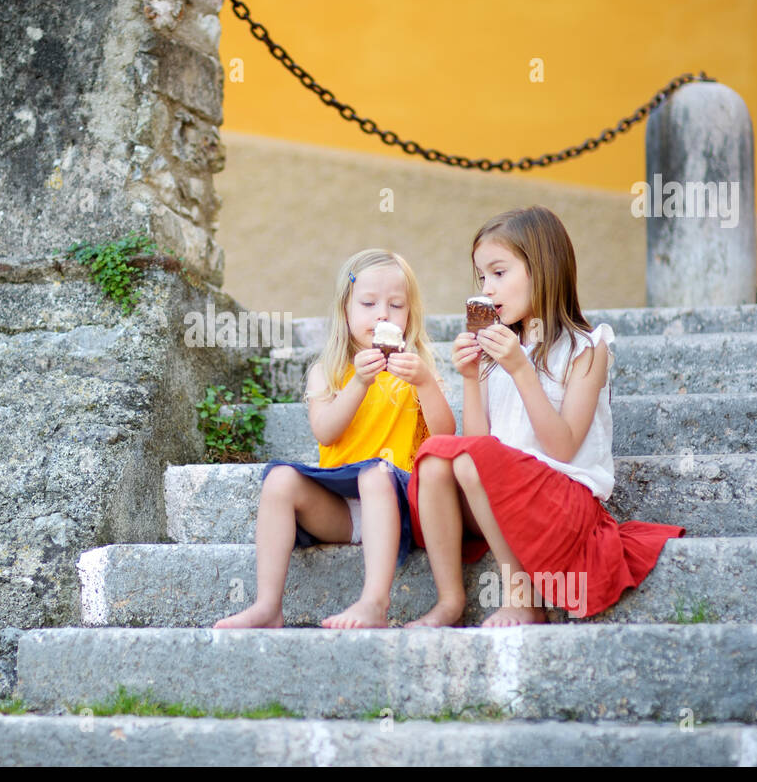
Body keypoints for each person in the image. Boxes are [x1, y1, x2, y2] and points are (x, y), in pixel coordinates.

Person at [404, 206, 685, 628]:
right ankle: (449, 600)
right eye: (482, 277)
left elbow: (563, 445)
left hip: (562, 500)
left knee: (464, 457)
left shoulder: (586, 349)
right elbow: (478, 442)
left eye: (499, 273)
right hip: (500, 498)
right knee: (437, 455)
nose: (487, 289)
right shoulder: (494, 355)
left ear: (542, 269)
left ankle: (521, 595)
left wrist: (521, 369)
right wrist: (470, 377)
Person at [214, 249, 456, 629]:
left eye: (396, 305)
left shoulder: (416, 371)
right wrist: (359, 383)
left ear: (410, 314)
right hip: (340, 510)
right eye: (369, 303)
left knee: (375, 472)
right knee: (279, 480)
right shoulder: (327, 372)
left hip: (397, 504)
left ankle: (375, 602)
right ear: (345, 309)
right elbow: (326, 430)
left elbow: (446, 437)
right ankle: (267, 605)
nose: (382, 314)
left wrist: (425, 381)